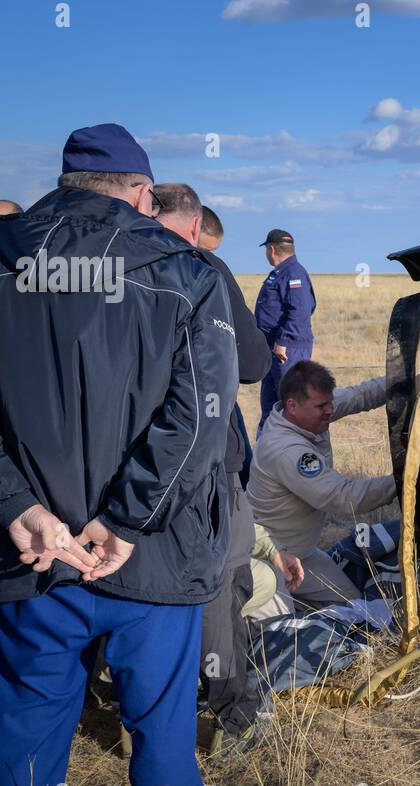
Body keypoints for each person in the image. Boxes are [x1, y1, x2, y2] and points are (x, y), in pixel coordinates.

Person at [0, 123, 238, 786]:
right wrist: (127, 520)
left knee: (25, 755)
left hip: (36, 556)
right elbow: (203, 418)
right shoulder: (187, 271)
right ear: (141, 193)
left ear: (67, 184)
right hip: (152, 557)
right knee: (165, 752)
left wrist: (17, 509)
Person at [152, 181, 298, 755]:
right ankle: (234, 712)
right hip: (205, 458)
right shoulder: (201, 270)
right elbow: (255, 360)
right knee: (222, 582)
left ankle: (141, 700)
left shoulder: (89, 271)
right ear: (193, 228)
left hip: (117, 471)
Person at [248, 361, 395, 605]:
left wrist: (409, 380)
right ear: (292, 406)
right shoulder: (285, 450)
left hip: (303, 553)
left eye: (330, 403)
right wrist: (404, 480)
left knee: (354, 608)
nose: (329, 410)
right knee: (280, 630)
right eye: (321, 406)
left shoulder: (308, 415)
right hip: (270, 556)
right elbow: (343, 498)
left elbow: (361, 395)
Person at [254, 229, 316, 435]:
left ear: (271, 249)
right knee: (272, 409)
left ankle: (293, 453)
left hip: (287, 350)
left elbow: (301, 309)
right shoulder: (280, 273)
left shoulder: (294, 273)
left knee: (290, 407)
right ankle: (267, 454)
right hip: (273, 350)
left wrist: (283, 340)